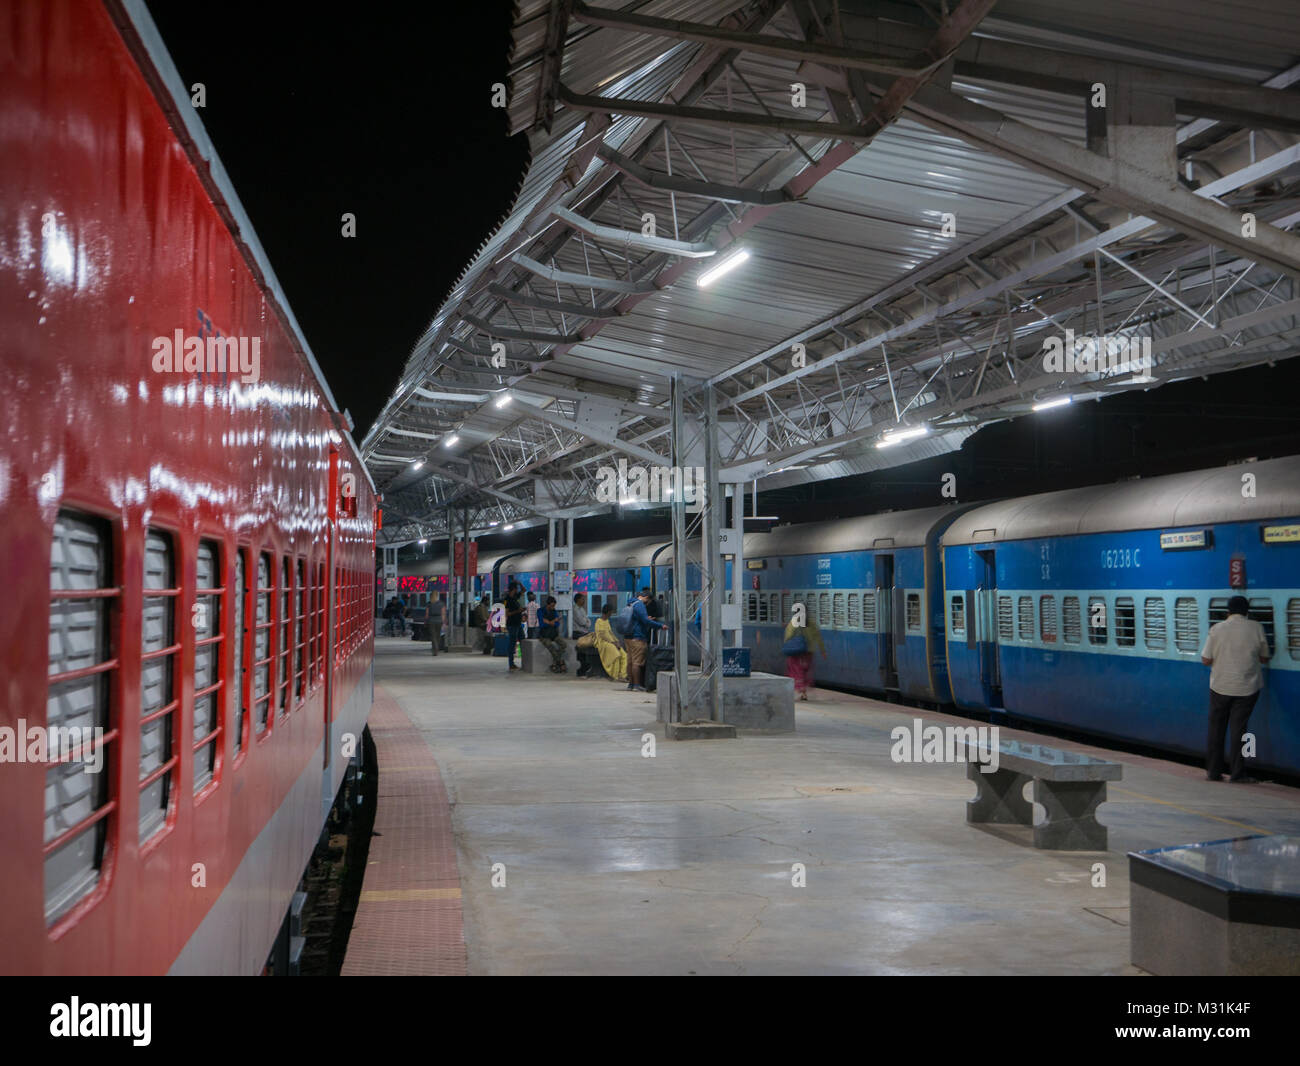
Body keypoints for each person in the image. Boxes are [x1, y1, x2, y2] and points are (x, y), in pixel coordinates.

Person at [1201, 595, 1270, 782]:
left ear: (1227, 612)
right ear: (1247, 612)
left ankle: (1214, 772)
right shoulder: (1256, 628)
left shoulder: (1216, 629)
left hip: (1220, 687)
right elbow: (1265, 657)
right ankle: (1238, 774)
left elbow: (1206, 659)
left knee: (1216, 729)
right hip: (1247, 689)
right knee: (1240, 730)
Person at [783, 598, 827, 701]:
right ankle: (803, 691)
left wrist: (788, 647)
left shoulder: (793, 623)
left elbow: (788, 637)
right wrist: (823, 651)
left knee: (796, 672)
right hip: (808, 653)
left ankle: (801, 691)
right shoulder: (811, 624)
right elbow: (818, 638)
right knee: (804, 671)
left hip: (796, 653)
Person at [625, 589, 667, 692]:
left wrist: (645, 618)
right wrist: (661, 626)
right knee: (637, 662)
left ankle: (630, 684)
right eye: (648, 602)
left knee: (630, 662)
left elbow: (638, 618)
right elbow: (646, 621)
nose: (647, 604)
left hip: (628, 637)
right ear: (647, 598)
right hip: (637, 637)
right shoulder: (639, 605)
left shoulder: (630, 603)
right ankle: (636, 685)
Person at [593, 604, 628, 682]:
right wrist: (613, 643)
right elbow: (602, 635)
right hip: (603, 643)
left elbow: (610, 633)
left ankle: (622, 675)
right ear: (608, 612)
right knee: (616, 654)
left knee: (624, 655)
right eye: (611, 612)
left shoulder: (607, 621)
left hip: (612, 642)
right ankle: (615, 676)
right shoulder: (599, 621)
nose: (611, 614)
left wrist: (617, 641)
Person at [538, 596, 567, 673]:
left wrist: (548, 621)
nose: (553, 607)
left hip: (554, 634)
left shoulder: (554, 611)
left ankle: (555, 663)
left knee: (564, 644)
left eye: (554, 606)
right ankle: (560, 662)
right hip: (544, 635)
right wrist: (552, 621)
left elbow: (557, 624)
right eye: (551, 606)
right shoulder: (540, 611)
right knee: (551, 646)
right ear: (547, 604)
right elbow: (541, 624)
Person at [504, 582, 525, 672]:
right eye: (516, 588)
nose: (517, 590)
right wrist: (518, 611)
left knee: (523, 641)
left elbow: (524, 590)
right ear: (513, 589)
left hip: (518, 623)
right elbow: (507, 613)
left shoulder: (515, 597)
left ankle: (525, 662)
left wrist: (520, 583)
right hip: (512, 624)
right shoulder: (507, 599)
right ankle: (511, 663)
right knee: (512, 644)